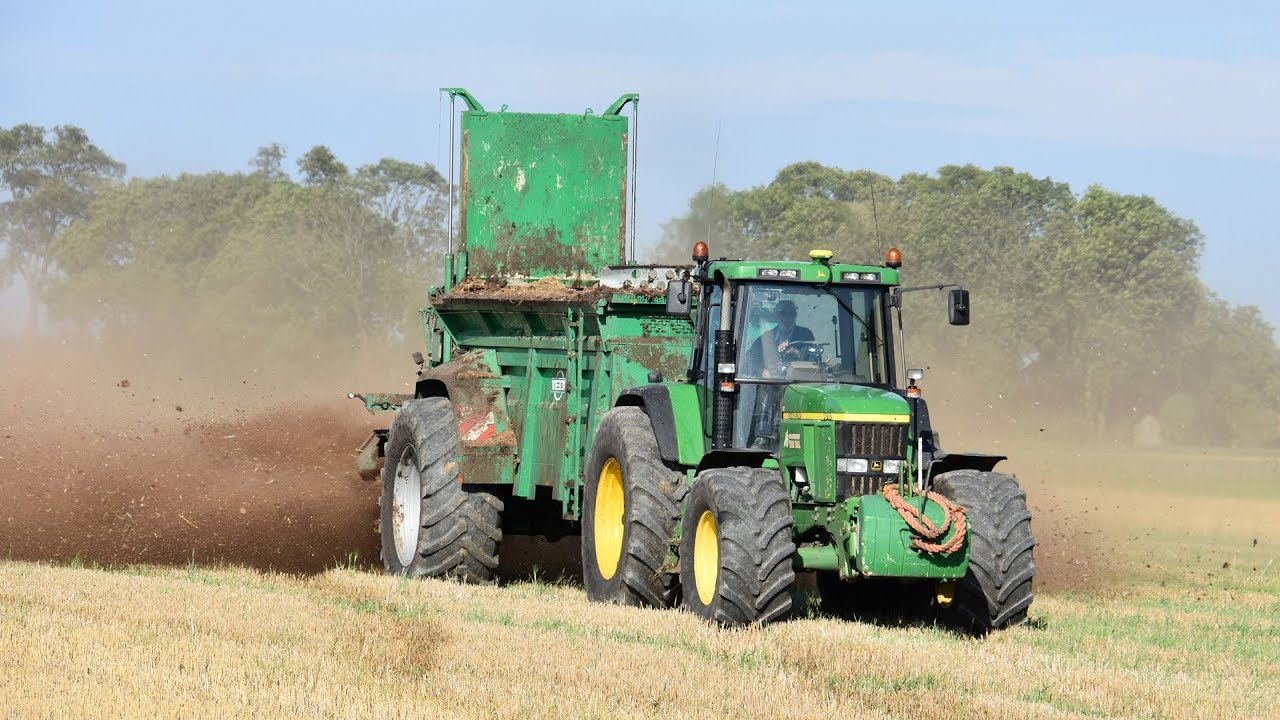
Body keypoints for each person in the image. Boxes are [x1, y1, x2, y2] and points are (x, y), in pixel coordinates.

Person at [747, 299, 815, 378]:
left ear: (795, 316)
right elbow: (749, 360)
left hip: (797, 382)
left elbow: (815, 361)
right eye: (782, 313)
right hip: (770, 383)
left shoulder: (805, 335)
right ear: (776, 315)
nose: (787, 318)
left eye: (791, 314)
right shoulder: (767, 338)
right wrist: (761, 371)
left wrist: (796, 352)